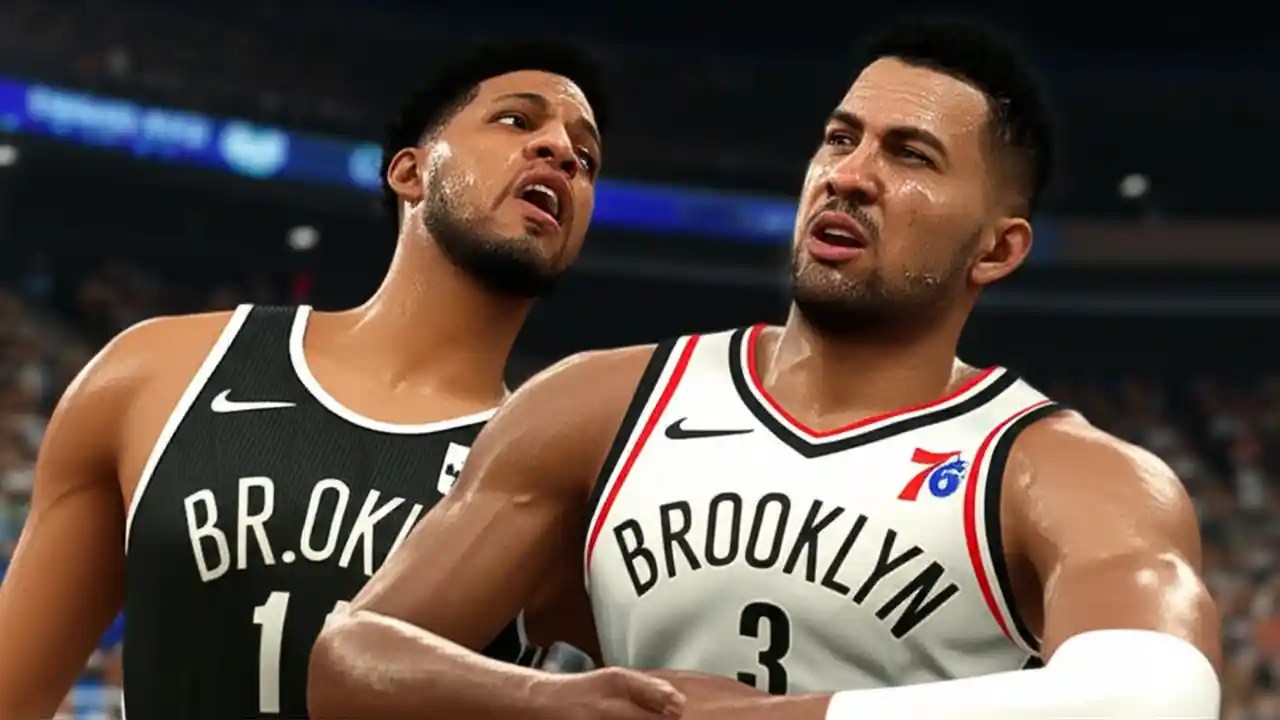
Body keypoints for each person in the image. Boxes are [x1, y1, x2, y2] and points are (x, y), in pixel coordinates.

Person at [308, 18, 1223, 720]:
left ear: (997, 248)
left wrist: (766, 719)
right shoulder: (600, 401)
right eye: (839, 138)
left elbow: (1156, 696)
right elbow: (352, 658)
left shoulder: (1061, 470)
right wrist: (555, 704)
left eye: (909, 156)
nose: (850, 175)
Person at [0, 39, 608, 720]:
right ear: (410, 172)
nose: (560, 150)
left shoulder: (572, 484)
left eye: (586, 159)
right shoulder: (153, 373)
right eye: (517, 121)